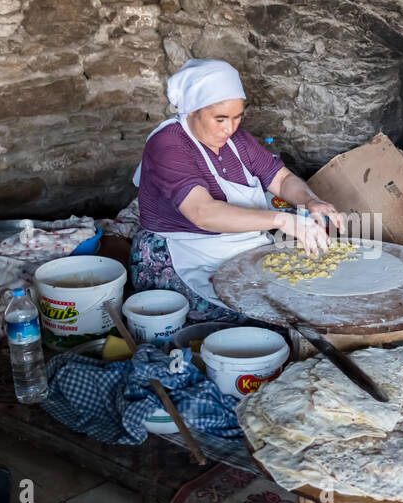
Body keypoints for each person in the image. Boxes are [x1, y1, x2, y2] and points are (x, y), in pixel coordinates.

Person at [131, 59, 345, 321]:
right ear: (191, 111)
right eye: (220, 119)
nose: (230, 128)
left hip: (238, 245)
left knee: (302, 289)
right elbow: (203, 213)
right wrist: (283, 220)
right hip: (185, 253)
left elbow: (280, 179)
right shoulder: (168, 145)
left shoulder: (236, 139)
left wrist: (311, 201)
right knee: (262, 316)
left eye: (236, 117)